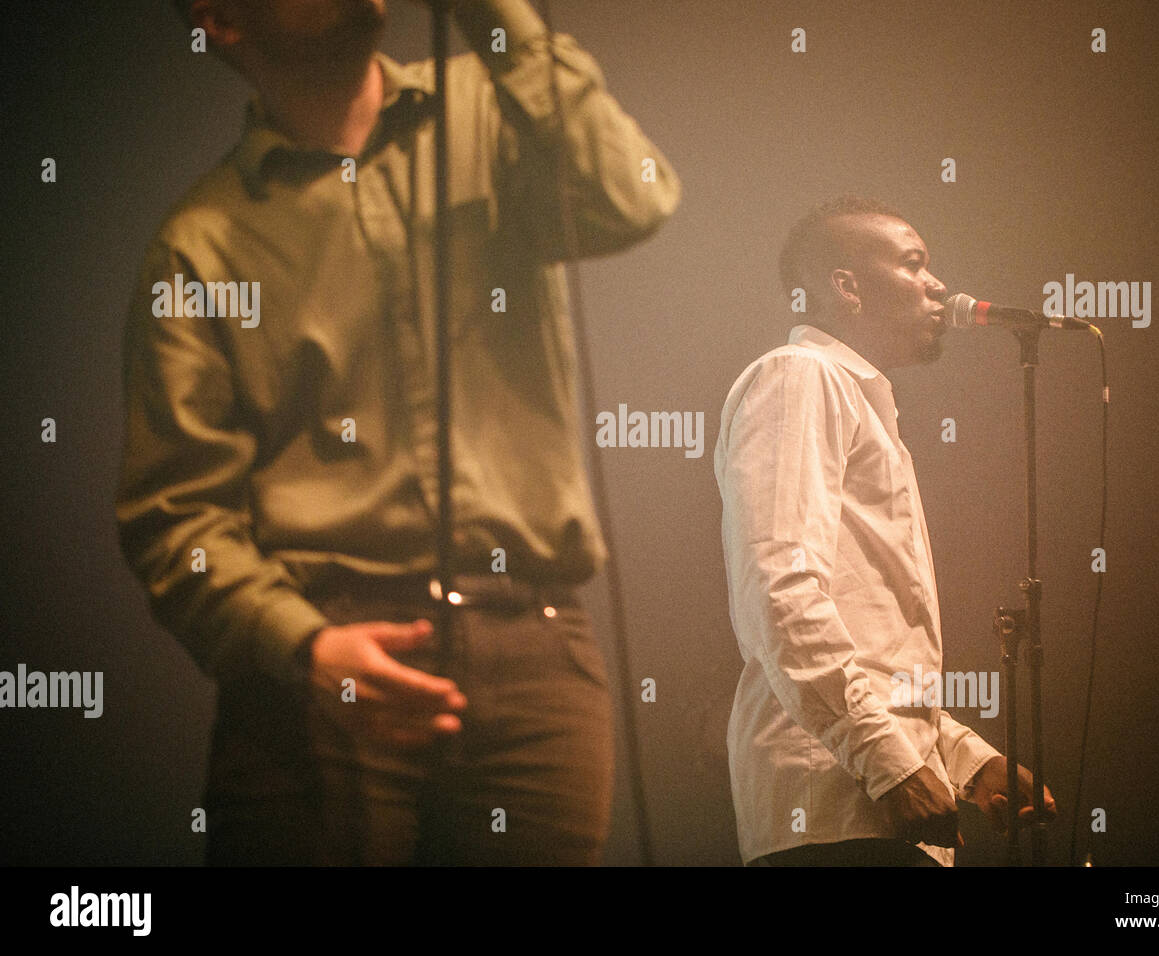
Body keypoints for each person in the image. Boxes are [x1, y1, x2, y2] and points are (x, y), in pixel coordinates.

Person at [115, 0, 679, 865]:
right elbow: (177, 520)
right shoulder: (201, 247)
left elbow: (633, 199)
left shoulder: (493, 111)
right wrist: (303, 647)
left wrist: (503, 18)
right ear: (223, 20)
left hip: (536, 648)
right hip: (322, 671)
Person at [713, 195, 1055, 866]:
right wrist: (887, 763)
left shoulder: (856, 401)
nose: (938, 285)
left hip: (871, 800)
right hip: (834, 812)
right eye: (913, 263)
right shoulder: (799, 378)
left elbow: (873, 648)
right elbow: (779, 586)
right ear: (846, 287)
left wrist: (964, 759)